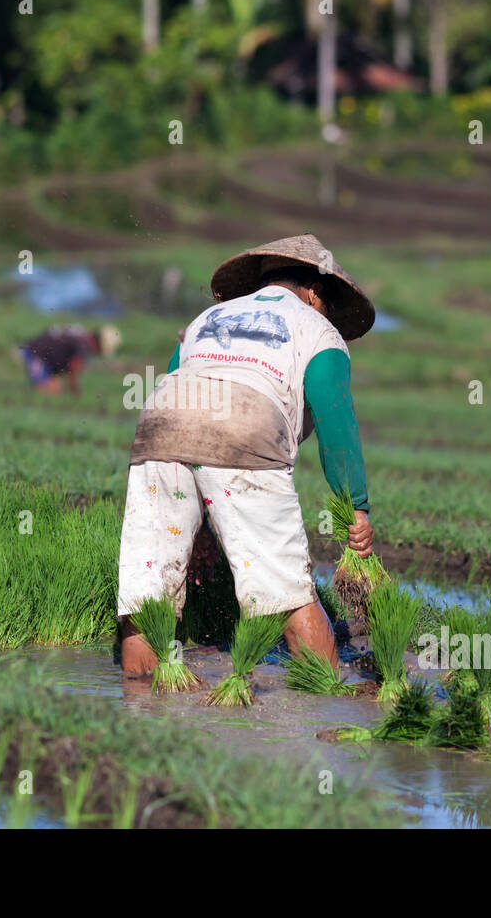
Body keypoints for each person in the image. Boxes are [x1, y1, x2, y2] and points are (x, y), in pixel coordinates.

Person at [117, 233, 375, 673]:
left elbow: (183, 394)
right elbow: (336, 421)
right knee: (289, 596)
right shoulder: (318, 331)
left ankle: (139, 708)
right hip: (245, 424)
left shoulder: (209, 317)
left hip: (161, 422)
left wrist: (195, 523)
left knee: (148, 598)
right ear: (315, 294)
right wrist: (356, 506)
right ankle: (327, 696)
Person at [19, 324, 121, 395]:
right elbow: (74, 367)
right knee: (48, 391)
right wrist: (74, 390)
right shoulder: (84, 345)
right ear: (100, 346)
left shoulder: (82, 334)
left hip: (41, 355)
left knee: (55, 388)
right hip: (36, 355)